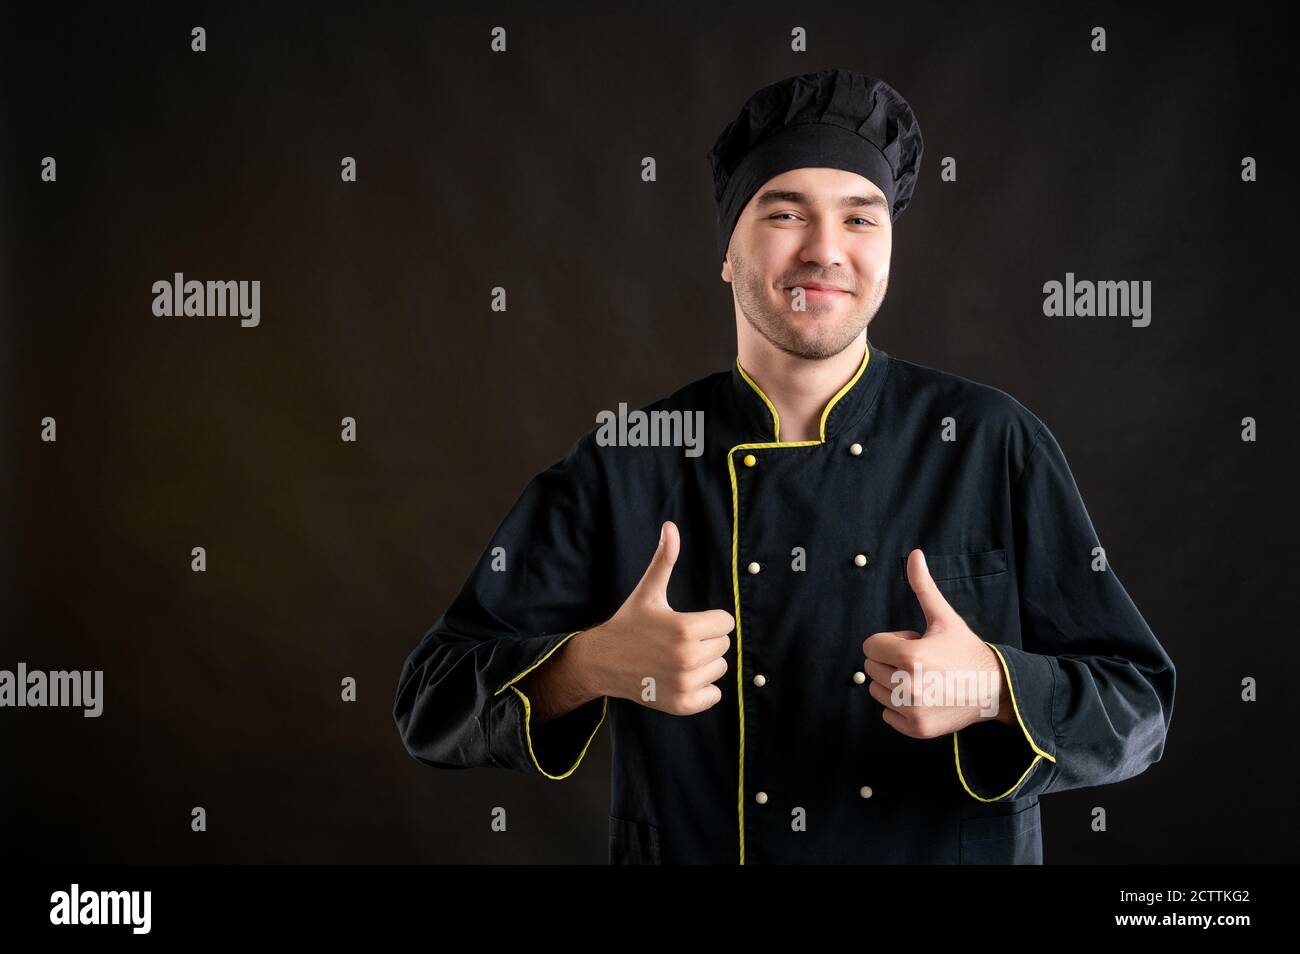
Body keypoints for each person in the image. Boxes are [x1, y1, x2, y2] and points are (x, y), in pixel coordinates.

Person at [392, 68, 1176, 864]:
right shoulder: (628, 458)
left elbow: (1139, 711)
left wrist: (996, 689)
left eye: (859, 219)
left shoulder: (990, 440)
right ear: (729, 253)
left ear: (890, 250)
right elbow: (431, 701)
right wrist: (584, 667)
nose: (825, 250)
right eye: (786, 211)